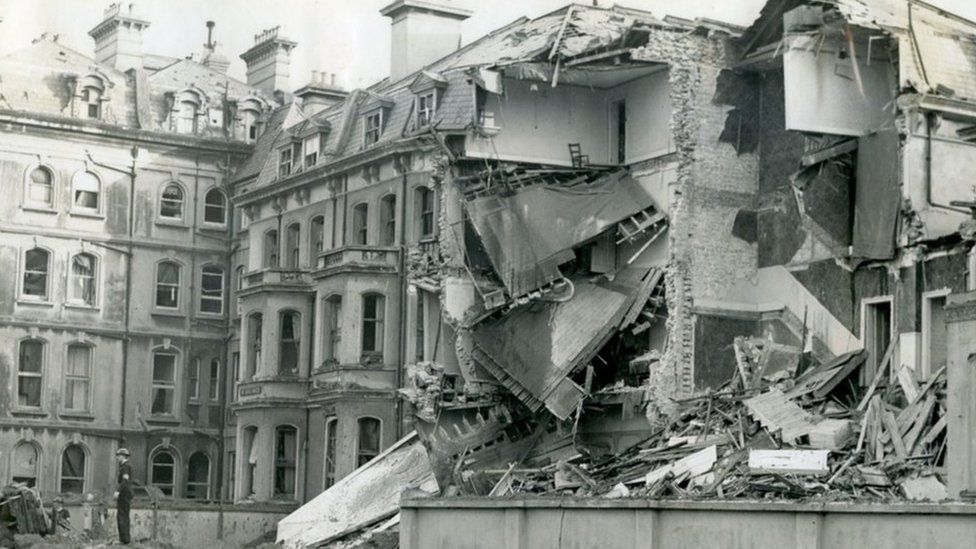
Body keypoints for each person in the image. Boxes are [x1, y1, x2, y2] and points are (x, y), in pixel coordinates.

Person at [114, 448, 133, 545]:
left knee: (122, 515)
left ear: (122, 456)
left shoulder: (125, 467)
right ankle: (124, 539)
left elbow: (125, 481)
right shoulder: (123, 466)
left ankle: (124, 539)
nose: (117, 457)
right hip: (125, 493)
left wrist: (118, 491)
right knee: (122, 515)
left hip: (124, 493)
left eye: (118, 455)